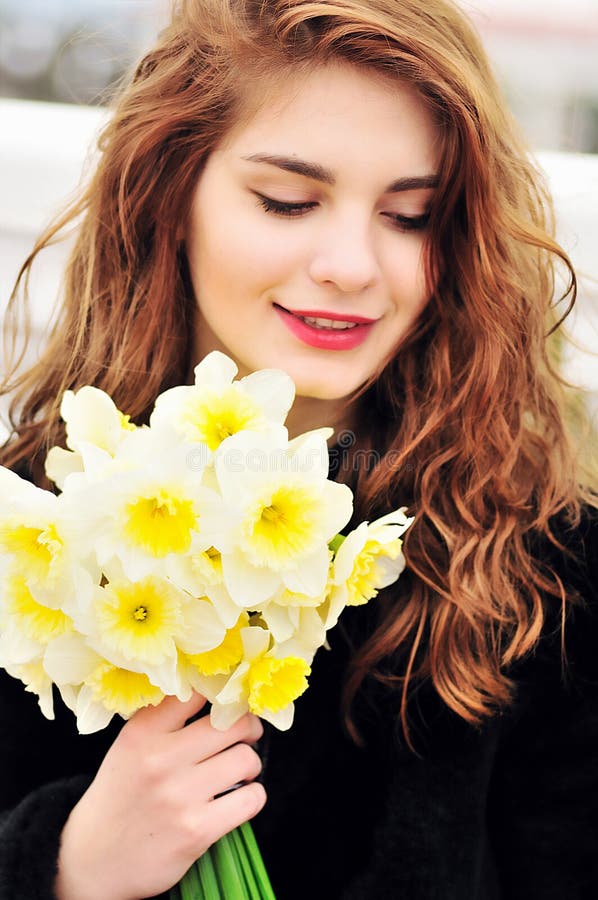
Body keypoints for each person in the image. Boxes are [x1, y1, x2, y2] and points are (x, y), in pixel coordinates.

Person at [1, 0, 596, 898]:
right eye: (288, 201)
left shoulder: (544, 575)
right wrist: (67, 868)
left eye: (411, 216)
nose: (351, 265)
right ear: (169, 195)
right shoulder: (30, 533)